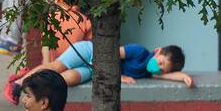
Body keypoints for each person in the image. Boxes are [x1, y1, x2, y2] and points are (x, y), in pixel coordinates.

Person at [12, 41, 191, 93]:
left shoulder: (148, 71)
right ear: (157, 51)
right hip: (91, 52)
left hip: (94, 70)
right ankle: (20, 82)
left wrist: (183, 77)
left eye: (162, 69)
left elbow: (165, 76)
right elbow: (109, 53)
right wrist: (118, 77)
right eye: (160, 62)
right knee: (55, 67)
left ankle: (33, 88)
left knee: (67, 80)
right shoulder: (139, 52)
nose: (158, 68)